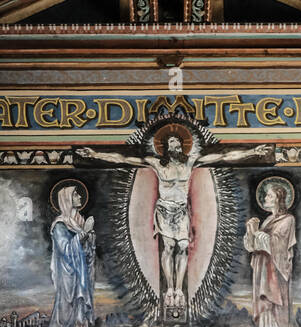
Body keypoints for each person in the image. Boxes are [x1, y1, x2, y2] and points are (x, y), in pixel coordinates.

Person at [77, 127, 271, 316]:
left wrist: (252, 152)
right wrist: (94, 154)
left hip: (181, 211)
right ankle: (170, 288)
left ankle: (179, 289)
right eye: (171, 143)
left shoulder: (190, 162)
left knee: (183, 247)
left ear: (182, 147)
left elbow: (224, 156)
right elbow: (123, 159)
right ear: (165, 148)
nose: (175, 146)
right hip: (164, 211)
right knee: (169, 248)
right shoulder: (156, 164)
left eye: (178, 143)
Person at [39, 185, 96, 327]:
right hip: (67, 274)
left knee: (79, 303)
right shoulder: (60, 225)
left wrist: (90, 237)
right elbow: (65, 250)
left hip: (81, 273)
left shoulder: (79, 222)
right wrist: (84, 233)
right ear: (67, 199)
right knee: (67, 305)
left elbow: (86, 252)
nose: (80, 197)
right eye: (76, 194)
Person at [243, 182, 296, 327]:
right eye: (266, 195)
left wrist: (257, 233)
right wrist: (250, 231)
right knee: (264, 301)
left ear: (278, 199)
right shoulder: (268, 220)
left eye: (269, 195)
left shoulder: (288, 220)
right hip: (262, 266)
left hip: (275, 268)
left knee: (273, 300)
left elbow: (278, 244)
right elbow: (253, 247)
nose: (265, 198)